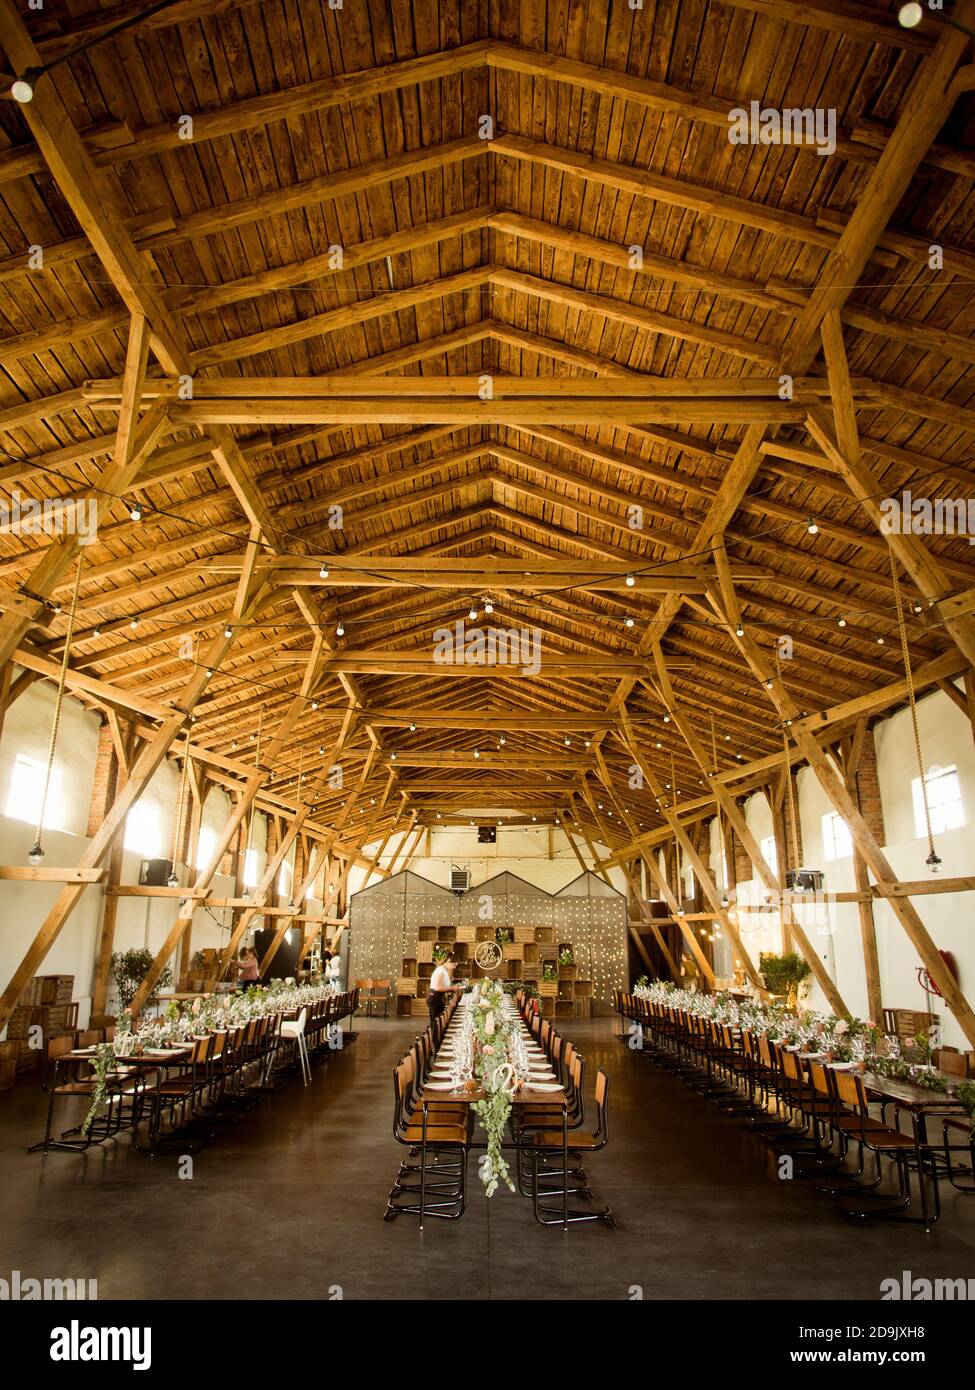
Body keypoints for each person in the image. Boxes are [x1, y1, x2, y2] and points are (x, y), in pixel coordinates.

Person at [427, 953, 462, 1027]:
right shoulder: (441, 971)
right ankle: (434, 1038)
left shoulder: (443, 970)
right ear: (449, 961)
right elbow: (437, 988)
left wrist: (453, 987)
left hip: (438, 998)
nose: (454, 967)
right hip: (435, 998)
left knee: (439, 1023)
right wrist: (452, 988)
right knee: (436, 1025)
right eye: (454, 965)